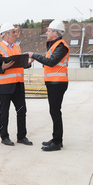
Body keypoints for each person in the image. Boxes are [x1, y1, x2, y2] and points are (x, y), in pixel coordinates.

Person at [26, 20, 69, 151]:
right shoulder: (54, 45)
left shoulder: (61, 46)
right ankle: (56, 139)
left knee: (55, 112)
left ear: (55, 33)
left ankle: (56, 142)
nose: (47, 32)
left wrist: (34, 55)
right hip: (53, 83)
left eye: (49, 30)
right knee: (54, 111)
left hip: (58, 83)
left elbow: (51, 62)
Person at [0, 22, 33, 146]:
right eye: (13, 32)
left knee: (22, 111)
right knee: (4, 112)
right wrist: (2, 67)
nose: (16, 34)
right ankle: (4, 137)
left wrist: (28, 63)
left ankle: (22, 136)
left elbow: (19, 65)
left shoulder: (17, 47)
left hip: (18, 85)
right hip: (5, 86)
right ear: (5, 34)